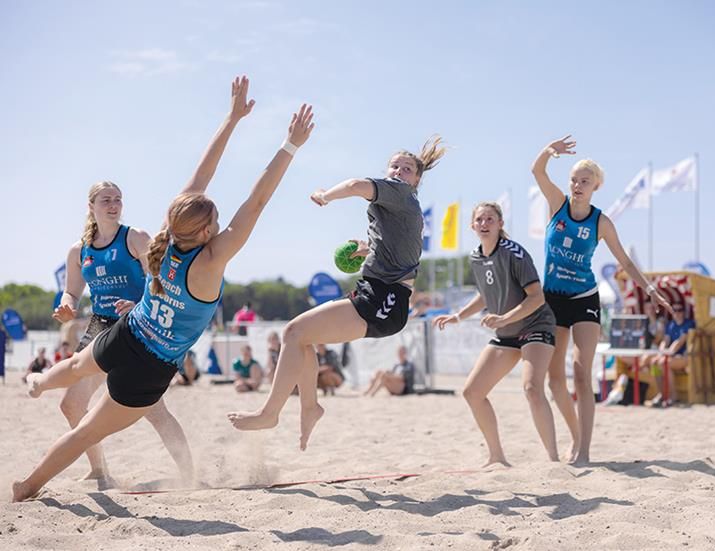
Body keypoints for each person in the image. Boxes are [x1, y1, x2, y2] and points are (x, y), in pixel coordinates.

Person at [13, 78, 314, 502]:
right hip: (150, 363)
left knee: (78, 365)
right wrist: (290, 146)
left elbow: (202, 175)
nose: (219, 224)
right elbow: (257, 202)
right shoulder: (210, 261)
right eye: (215, 221)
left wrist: (231, 119)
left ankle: (40, 382)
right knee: (87, 431)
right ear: (207, 231)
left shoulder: (163, 236)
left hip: (126, 332)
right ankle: (27, 486)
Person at [228, 136, 447, 451]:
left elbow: (356, 185)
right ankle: (309, 408)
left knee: (293, 332)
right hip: (375, 293)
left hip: (384, 300)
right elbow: (399, 250)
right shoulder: (401, 206)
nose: (398, 172)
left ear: (416, 181)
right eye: (394, 166)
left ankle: (270, 413)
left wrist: (325, 195)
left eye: (407, 169)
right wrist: (368, 248)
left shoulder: (399, 193)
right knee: (300, 339)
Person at [532, 135, 672, 464]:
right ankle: (575, 435)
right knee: (554, 380)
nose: (577, 185)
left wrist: (650, 289)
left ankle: (584, 451)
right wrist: (549, 151)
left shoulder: (601, 222)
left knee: (582, 373)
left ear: (596, 186)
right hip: (553, 300)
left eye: (585, 181)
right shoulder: (557, 205)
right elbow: (537, 171)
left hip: (584, 298)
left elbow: (625, 262)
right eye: (574, 179)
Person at [51, 179, 194, 484]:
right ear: (91, 206)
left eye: (117, 199)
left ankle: (189, 475)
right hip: (99, 327)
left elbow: (164, 280)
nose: (113, 205)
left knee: (154, 411)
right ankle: (100, 470)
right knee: (71, 404)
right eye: (106, 200)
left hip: (137, 326)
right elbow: (72, 292)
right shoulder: (79, 251)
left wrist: (141, 304)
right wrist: (67, 307)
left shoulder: (135, 238)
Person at [433, 202, 560, 466]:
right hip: (507, 332)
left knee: (532, 388)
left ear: (500, 224)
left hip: (535, 325)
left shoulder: (514, 253)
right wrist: (458, 316)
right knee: (472, 392)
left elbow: (536, 297)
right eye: (479, 219)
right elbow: (485, 294)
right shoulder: (475, 257)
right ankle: (497, 457)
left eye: (490, 219)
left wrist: (504, 317)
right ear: (472, 225)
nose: (484, 223)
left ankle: (553, 461)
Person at [649, 302, 695, 406]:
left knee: (664, 363)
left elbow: (679, 342)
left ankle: (673, 396)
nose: (677, 313)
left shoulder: (689, 324)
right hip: (672, 356)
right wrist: (661, 352)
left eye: (680, 310)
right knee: (654, 363)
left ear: (684, 312)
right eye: (674, 310)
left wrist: (668, 352)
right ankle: (661, 394)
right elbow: (665, 340)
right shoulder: (670, 325)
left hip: (684, 357)